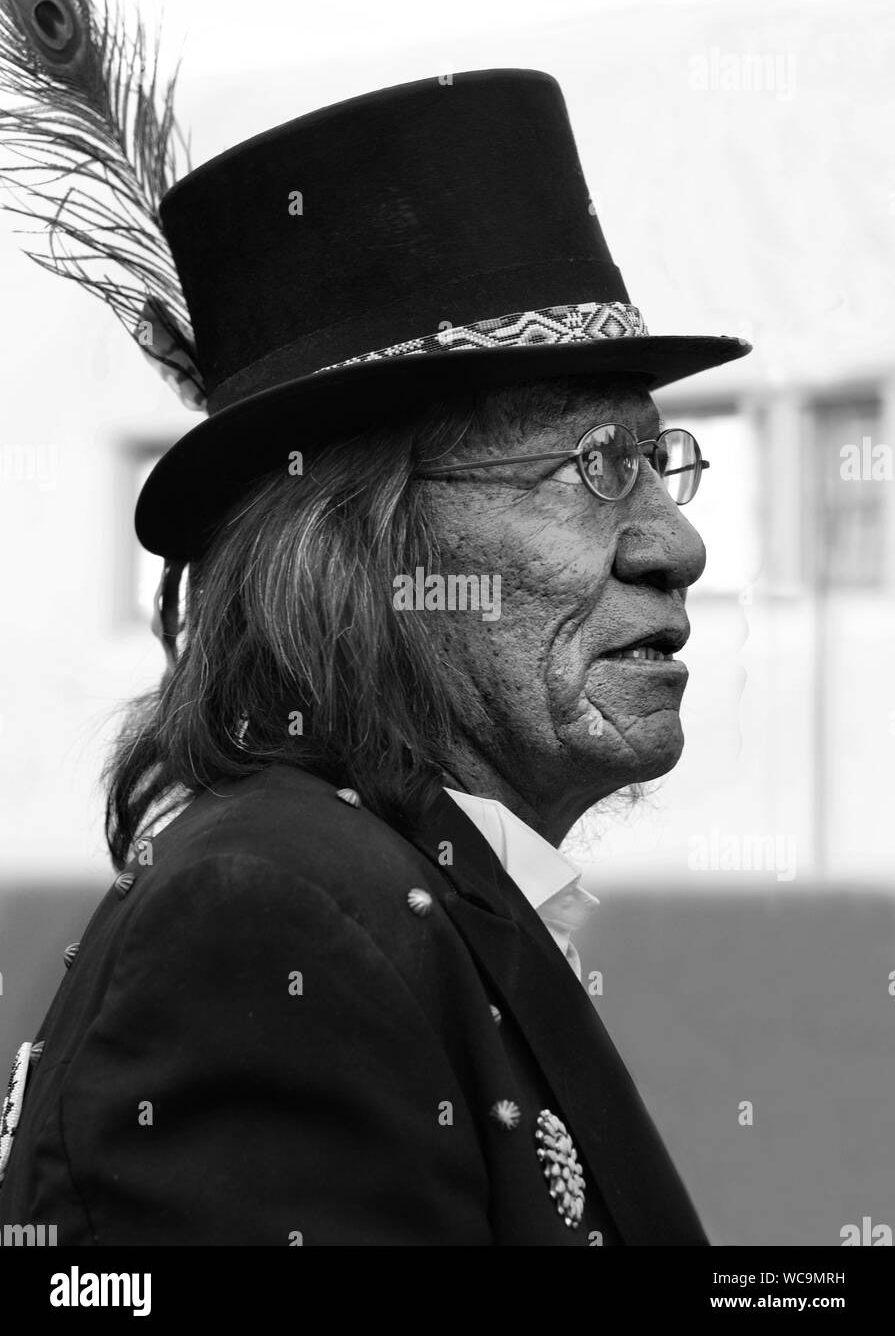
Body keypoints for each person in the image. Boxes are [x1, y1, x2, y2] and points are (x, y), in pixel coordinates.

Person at [0, 67, 750, 1245]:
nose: (676, 543)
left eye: (664, 463)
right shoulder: (268, 924)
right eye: (594, 468)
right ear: (363, 548)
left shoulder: (394, 890)